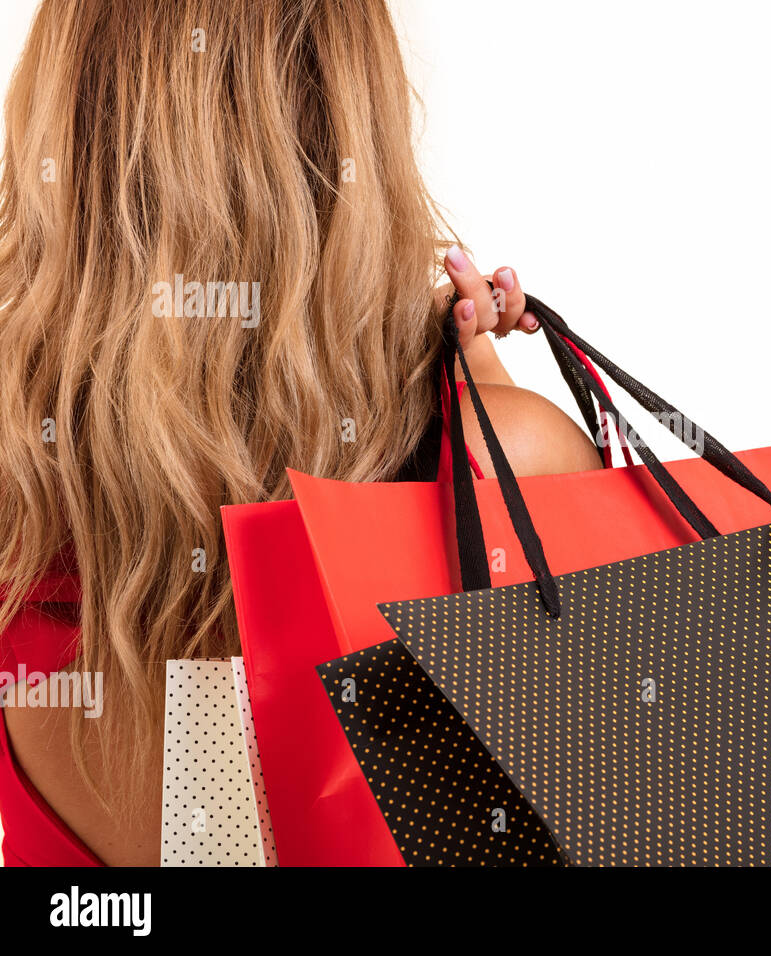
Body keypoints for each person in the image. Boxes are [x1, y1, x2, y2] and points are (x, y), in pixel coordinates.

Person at [0, 0, 601, 866]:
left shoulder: (24, 496)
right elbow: (584, 818)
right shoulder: (507, 469)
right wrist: (480, 395)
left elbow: (208, 833)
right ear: (353, 134)